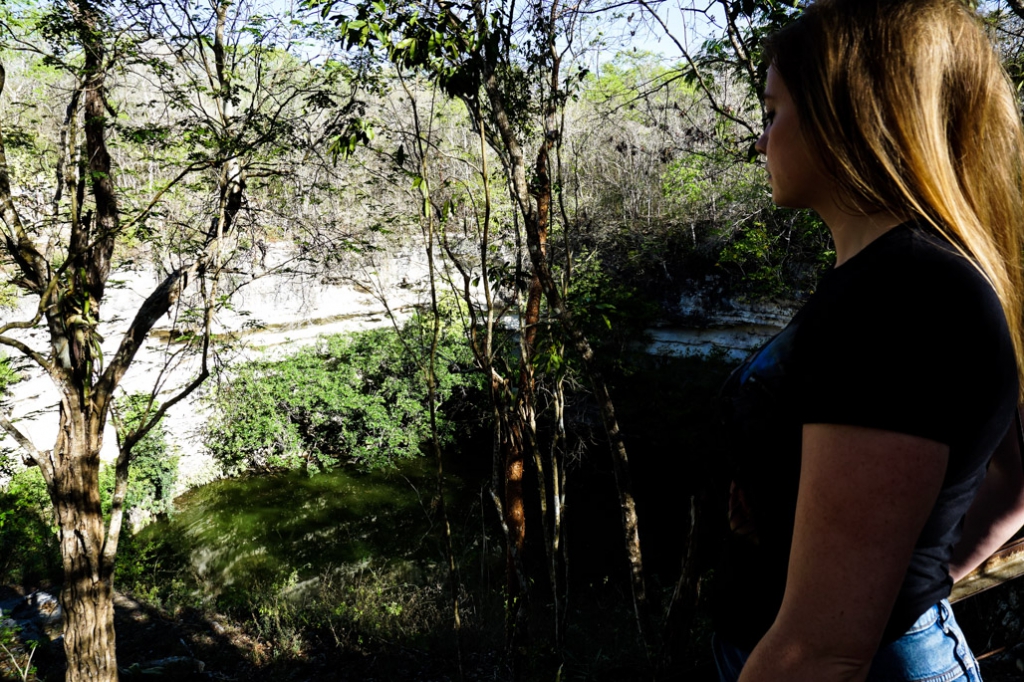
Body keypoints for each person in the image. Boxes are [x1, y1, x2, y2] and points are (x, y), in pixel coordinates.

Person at [710, 1, 1024, 680]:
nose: (759, 142)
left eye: (772, 112)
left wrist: (901, 598)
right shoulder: (898, 278)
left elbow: (821, 651)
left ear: (844, 115)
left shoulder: (903, 298)